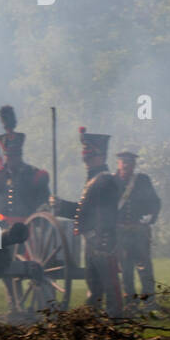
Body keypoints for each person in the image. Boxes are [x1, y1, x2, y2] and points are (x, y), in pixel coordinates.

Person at [52, 128, 122, 317]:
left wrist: (104, 238)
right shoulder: (94, 179)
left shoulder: (105, 180)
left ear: (99, 155)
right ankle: (92, 320)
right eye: (86, 156)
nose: (86, 160)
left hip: (102, 241)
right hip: (91, 241)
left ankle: (116, 319)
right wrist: (61, 206)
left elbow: (106, 214)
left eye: (89, 155)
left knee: (109, 284)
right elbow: (85, 212)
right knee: (93, 285)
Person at [0, 105, 51, 230]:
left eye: (15, 156)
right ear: (5, 156)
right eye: (9, 156)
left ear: (20, 155)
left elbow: (44, 209)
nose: (12, 160)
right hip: (1, 235)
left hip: (26, 235)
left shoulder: (34, 175)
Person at [114, 151, 161, 302]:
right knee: (126, 269)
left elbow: (155, 201)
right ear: (118, 164)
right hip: (120, 232)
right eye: (123, 162)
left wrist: (150, 217)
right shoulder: (112, 181)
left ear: (134, 165)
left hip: (139, 231)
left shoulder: (142, 180)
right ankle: (130, 303)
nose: (126, 165)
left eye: (129, 162)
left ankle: (148, 302)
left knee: (144, 267)